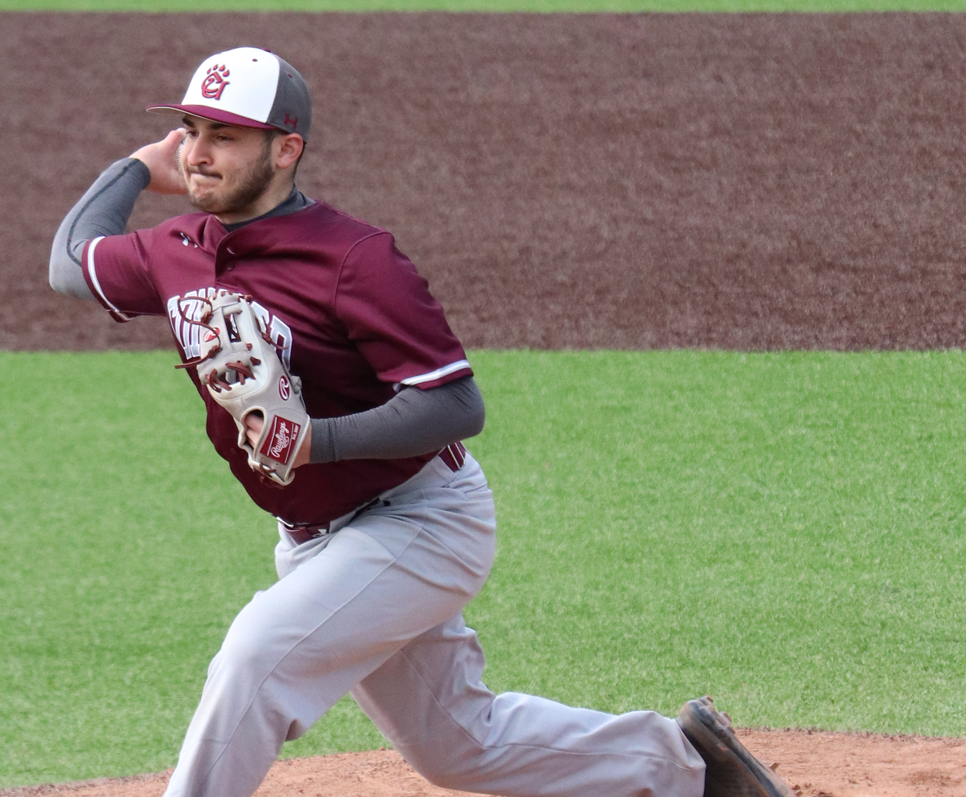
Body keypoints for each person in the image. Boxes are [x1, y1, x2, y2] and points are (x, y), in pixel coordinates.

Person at [49, 46, 792, 797]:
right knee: (462, 747)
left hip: (420, 521)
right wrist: (141, 165)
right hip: (314, 541)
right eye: (190, 130)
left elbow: (455, 404)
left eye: (224, 136)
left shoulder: (354, 259)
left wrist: (316, 440)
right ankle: (689, 768)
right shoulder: (176, 249)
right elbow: (70, 262)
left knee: (256, 654)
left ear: (286, 148)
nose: (200, 153)